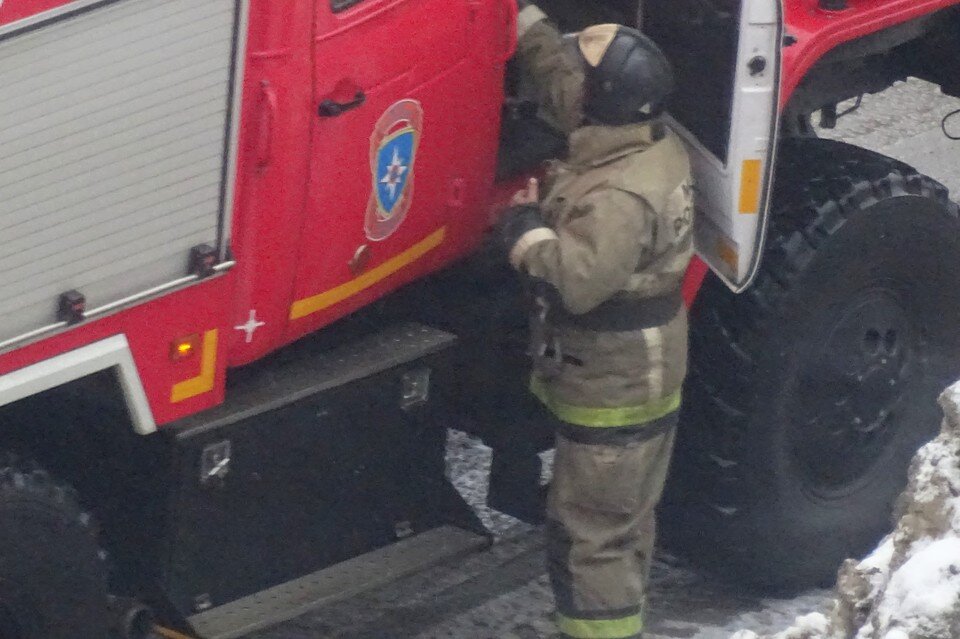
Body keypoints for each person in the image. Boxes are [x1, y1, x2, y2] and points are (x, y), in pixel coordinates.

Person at [497, 6, 695, 639]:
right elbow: (561, 77)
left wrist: (527, 232)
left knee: (596, 532)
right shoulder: (635, 134)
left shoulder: (619, 199)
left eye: (584, 78)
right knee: (621, 515)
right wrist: (520, 19)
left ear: (601, 98)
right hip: (622, 365)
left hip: (614, 381)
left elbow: (576, 281)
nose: (571, 85)